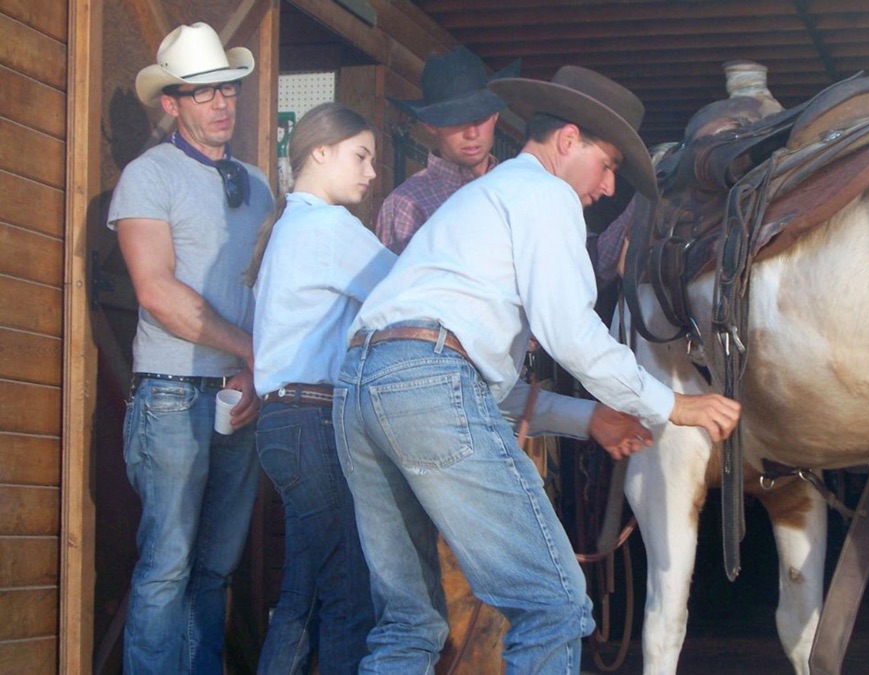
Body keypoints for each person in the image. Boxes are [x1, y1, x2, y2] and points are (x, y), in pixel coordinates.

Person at [335, 64, 742, 673]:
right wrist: (672, 404)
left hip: (360, 388)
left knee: (408, 624)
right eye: (606, 165)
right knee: (552, 603)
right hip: (429, 381)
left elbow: (464, 378)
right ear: (568, 140)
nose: (608, 188)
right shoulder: (544, 193)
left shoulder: (478, 205)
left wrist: (591, 420)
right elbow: (569, 336)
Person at [108, 22, 271, 673]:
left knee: (215, 568)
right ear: (170, 103)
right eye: (203, 93)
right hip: (173, 394)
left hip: (238, 396)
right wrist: (253, 351)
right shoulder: (148, 176)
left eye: (228, 88)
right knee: (168, 566)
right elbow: (156, 292)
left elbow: (264, 291)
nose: (222, 102)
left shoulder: (258, 184)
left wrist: (256, 371)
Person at [247, 102, 388, 674]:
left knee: (301, 602)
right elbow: (408, 291)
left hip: (284, 424)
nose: (372, 172)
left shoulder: (287, 228)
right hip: (314, 424)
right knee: (349, 598)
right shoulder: (330, 228)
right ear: (320, 152)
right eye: (362, 156)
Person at [374, 45, 519, 254]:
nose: (471, 133)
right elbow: (400, 285)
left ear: (496, 114)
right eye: (456, 121)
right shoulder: (406, 205)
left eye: (480, 118)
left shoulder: (517, 189)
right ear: (431, 125)